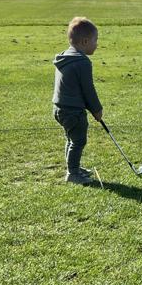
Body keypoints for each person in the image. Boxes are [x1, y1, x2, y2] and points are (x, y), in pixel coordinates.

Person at [52, 17, 103, 185]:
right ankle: (73, 173)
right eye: (96, 40)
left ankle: (73, 168)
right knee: (79, 141)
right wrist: (96, 109)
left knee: (71, 139)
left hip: (60, 109)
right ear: (85, 41)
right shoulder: (82, 62)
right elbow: (88, 90)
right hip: (73, 111)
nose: (97, 44)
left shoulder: (66, 57)